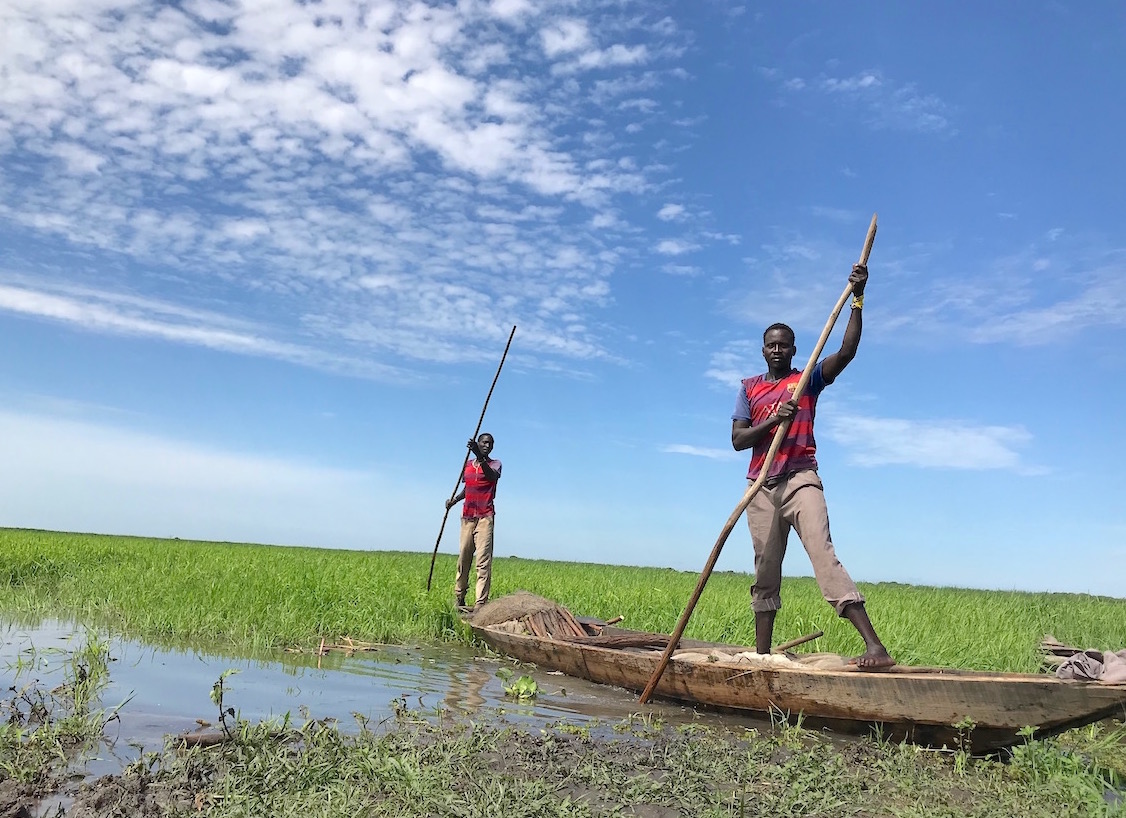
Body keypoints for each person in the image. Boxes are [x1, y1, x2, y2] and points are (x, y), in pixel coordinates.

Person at [730, 263, 894, 669]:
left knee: (823, 554)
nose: (777, 350)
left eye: (784, 345)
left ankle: (876, 648)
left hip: (802, 479)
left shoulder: (807, 382)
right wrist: (773, 419)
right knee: (765, 570)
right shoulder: (750, 388)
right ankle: (763, 658)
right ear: (763, 348)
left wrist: (857, 298)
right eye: (771, 344)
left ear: (793, 350)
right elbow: (738, 440)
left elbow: (848, 352)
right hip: (762, 486)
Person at [446, 433, 501, 611]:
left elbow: (491, 477)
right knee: (463, 559)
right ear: (478, 443)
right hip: (468, 517)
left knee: (483, 563)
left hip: (485, 517)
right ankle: (459, 597)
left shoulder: (495, 464)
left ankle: (480, 604)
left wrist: (480, 456)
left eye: (490, 444)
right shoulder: (468, 466)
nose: (487, 446)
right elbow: (467, 488)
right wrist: (454, 501)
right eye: (484, 443)